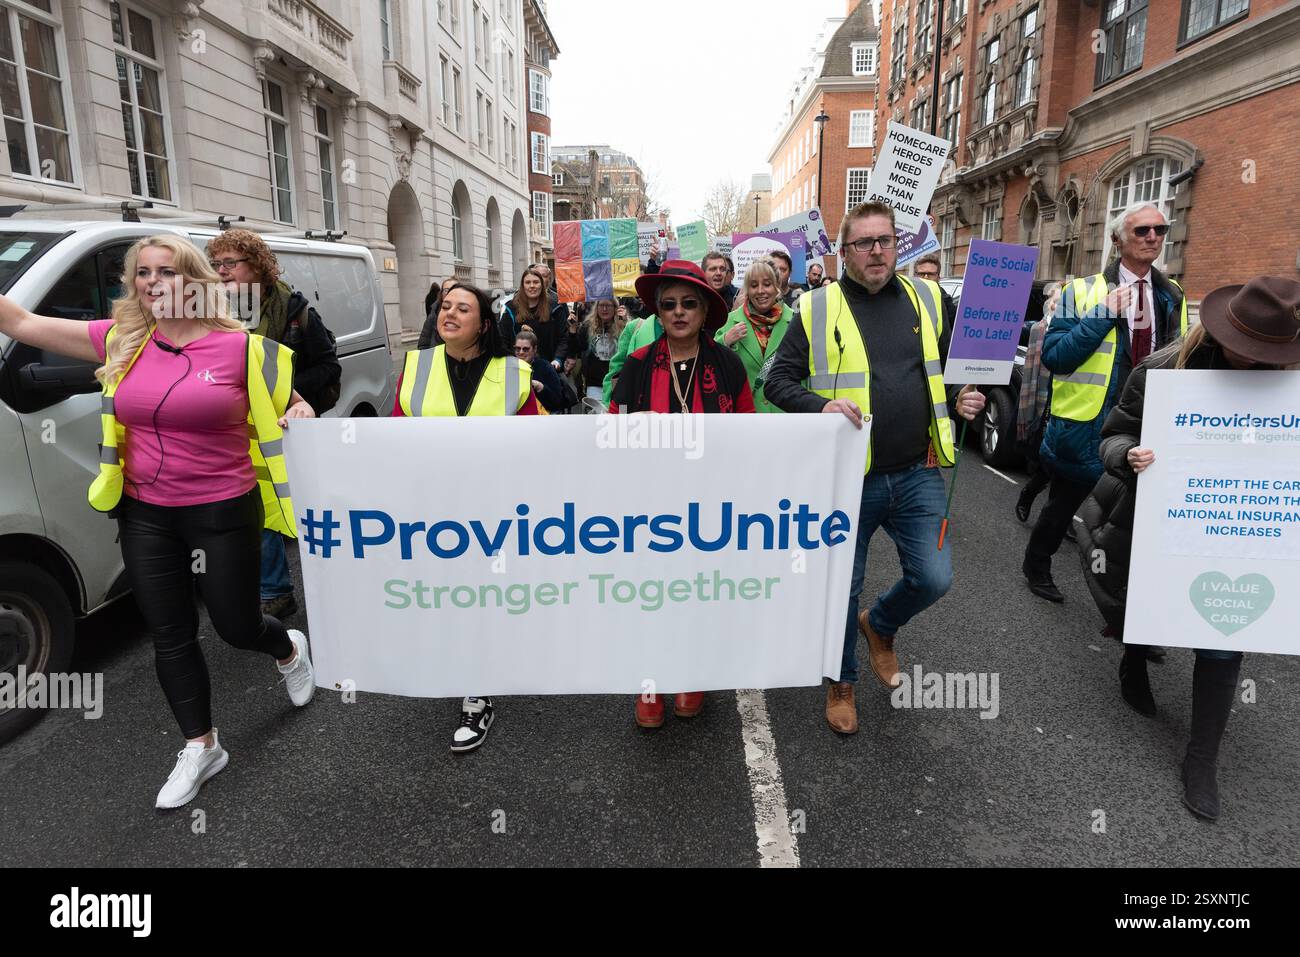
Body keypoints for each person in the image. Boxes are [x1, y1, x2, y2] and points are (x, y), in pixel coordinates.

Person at [0, 235, 317, 808]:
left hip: (223, 509)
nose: (151, 282)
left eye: (165, 271)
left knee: (236, 626)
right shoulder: (121, 339)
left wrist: (298, 408)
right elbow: (21, 323)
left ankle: (287, 649)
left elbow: (293, 404)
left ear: (194, 280)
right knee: (169, 634)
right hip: (145, 512)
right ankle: (202, 746)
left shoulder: (240, 348)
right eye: (142, 273)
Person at [1077, 276, 1300, 821]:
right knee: (1145, 607)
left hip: (1245, 524)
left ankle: (1201, 759)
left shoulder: (1289, 384)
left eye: (1270, 356)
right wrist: (1127, 455)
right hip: (1163, 517)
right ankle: (1134, 659)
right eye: (1250, 352)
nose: (1258, 363)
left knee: (1227, 634)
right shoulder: (1162, 371)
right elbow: (1112, 434)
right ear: (1223, 336)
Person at [765, 201, 985, 735]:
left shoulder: (928, 298)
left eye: (885, 240)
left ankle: (880, 627)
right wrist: (821, 405)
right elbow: (777, 380)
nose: (877, 251)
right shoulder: (815, 309)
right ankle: (842, 682)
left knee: (934, 577)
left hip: (917, 471)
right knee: (844, 585)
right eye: (864, 243)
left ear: (897, 245)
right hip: (847, 480)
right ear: (845, 252)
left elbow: (952, 366)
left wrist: (962, 395)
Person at [392, 282, 542, 752]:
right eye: (444, 306)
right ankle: (470, 674)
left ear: (483, 323)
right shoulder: (416, 367)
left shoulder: (514, 373)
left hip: (496, 509)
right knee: (456, 597)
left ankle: (477, 696)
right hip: (436, 512)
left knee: (485, 598)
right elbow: (392, 439)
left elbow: (538, 442)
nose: (449, 313)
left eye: (462, 308)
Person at [610, 260, 756, 727]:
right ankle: (649, 679)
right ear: (658, 311)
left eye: (688, 304)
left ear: (705, 311)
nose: (677, 313)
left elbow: (749, 434)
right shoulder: (636, 365)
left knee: (697, 593)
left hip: (707, 506)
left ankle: (692, 672)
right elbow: (611, 431)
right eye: (668, 304)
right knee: (650, 594)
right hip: (647, 505)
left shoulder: (728, 365)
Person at [1026, 202, 1189, 603]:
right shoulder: (1079, 291)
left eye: (1160, 230)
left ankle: (1126, 607)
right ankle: (1037, 565)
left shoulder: (1172, 295)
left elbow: (1180, 357)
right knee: (1064, 504)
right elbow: (1057, 357)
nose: (1153, 237)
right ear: (1118, 239)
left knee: (1133, 518)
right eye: (1142, 231)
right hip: (1085, 422)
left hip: (1142, 420)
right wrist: (1101, 315)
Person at [206, 229, 341, 621]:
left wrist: (285, 396)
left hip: (289, 426)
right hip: (237, 434)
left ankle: (332, 583)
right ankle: (276, 591)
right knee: (258, 510)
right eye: (216, 265)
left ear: (258, 267)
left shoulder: (295, 310)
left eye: (231, 263)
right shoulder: (210, 313)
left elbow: (328, 367)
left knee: (308, 510)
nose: (222, 272)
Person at [716, 258, 792, 413]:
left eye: (767, 284)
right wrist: (725, 341)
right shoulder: (730, 321)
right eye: (754, 285)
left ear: (776, 286)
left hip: (785, 416)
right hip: (746, 415)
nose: (760, 291)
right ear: (747, 290)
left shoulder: (794, 321)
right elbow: (710, 364)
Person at [1014, 282, 1062, 523]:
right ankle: (1030, 493)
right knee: (1049, 460)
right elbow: (1030, 373)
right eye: (1053, 299)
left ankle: (1059, 514)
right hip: (1043, 402)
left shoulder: (1075, 330)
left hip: (1067, 402)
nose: (1055, 304)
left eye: (1061, 301)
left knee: (1064, 462)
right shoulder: (1037, 330)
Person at [501, 266, 568, 367]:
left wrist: (558, 359)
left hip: (549, 366)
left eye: (536, 282)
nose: (532, 286)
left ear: (542, 285)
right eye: (528, 282)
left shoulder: (555, 307)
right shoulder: (511, 308)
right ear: (522, 286)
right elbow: (503, 339)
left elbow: (563, 337)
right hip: (517, 367)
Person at [567, 297, 624, 408]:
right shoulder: (588, 326)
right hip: (595, 383)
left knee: (620, 419)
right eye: (601, 305)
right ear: (596, 308)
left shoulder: (625, 325)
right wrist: (572, 330)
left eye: (608, 305)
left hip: (619, 383)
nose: (604, 309)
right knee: (595, 420)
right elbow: (576, 349)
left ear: (615, 308)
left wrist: (623, 326)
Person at [515, 329, 570, 413]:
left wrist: (541, 387)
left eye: (526, 349)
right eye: (517, 349)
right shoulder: (509, 367)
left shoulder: (545, 367)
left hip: (544, 415)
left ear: (535, 349)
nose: (521, 352)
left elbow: (558, 401)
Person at [418, 276, 458, 349]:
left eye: (454, 289)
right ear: (441, 293)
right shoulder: (434, 312)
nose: (450, 292)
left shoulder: (467, 313)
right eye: (446, 290)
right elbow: (424, 342)